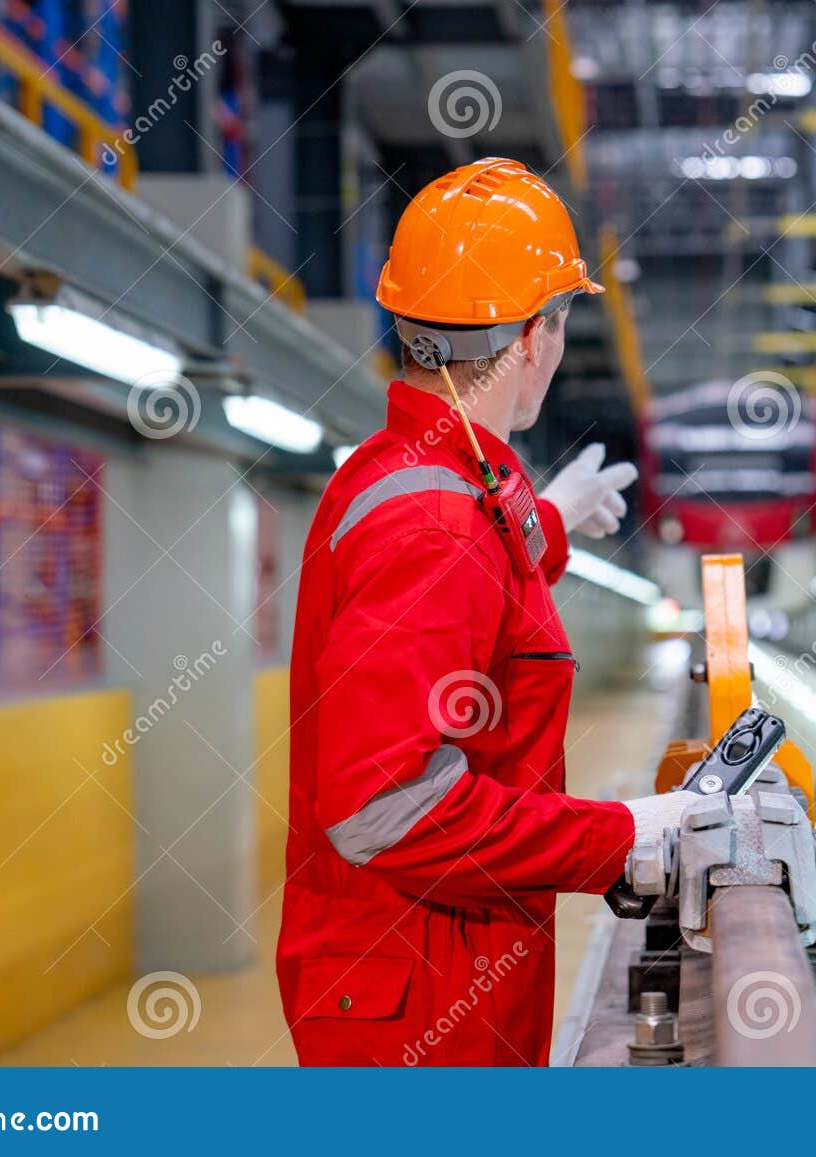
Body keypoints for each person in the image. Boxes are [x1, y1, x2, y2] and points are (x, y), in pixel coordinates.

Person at [277, 158, 699, 1066]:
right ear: (537, 337)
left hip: (427, 970)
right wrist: (623, 837)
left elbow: (472, 585)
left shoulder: (411, 472)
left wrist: (552, 518)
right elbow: (381, 808)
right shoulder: (436, 520)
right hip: (424, 1009)